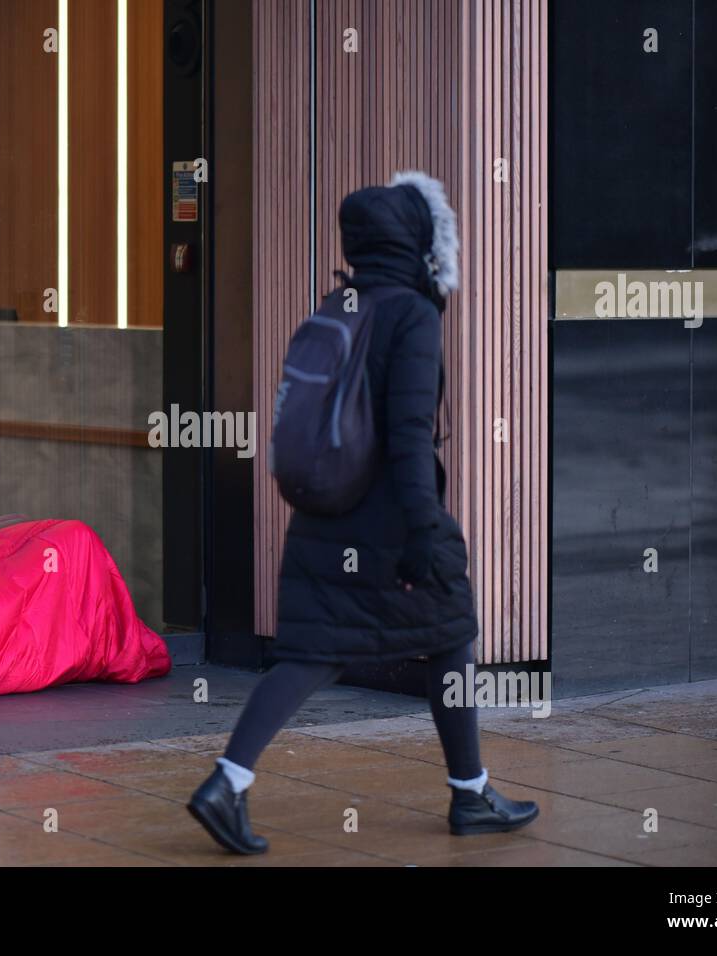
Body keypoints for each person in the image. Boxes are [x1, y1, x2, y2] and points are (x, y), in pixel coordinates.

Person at [188, 170, 540, 855]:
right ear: (418, 241)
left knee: (311, 653)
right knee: (451, 633)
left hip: (325, 515)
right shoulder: (411, 314)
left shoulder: (340, 303)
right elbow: (409, 435)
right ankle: (470, 797)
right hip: (386, 518)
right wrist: (422, 531)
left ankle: (226, 782)